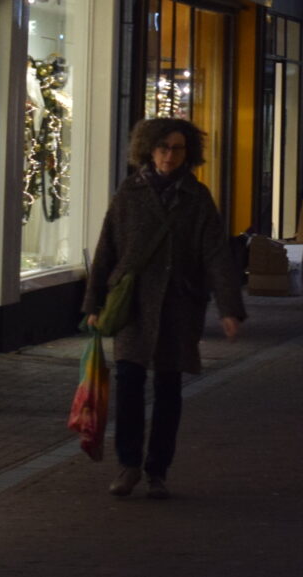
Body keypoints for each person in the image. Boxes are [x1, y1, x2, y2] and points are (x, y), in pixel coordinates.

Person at [82, 116, 245, 499]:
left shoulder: (197, 197)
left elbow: (215, 254)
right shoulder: (129, 193)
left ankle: (158, 470)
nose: (168, 156)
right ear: (148, 149)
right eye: (162, 148)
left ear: (189, 153)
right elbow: (107, 248)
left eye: (176, 149)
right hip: (133, 305)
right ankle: (128, 465)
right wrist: (94, 303)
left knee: (169, 390)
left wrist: (228, 307)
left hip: (178, 306)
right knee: (129, 385)